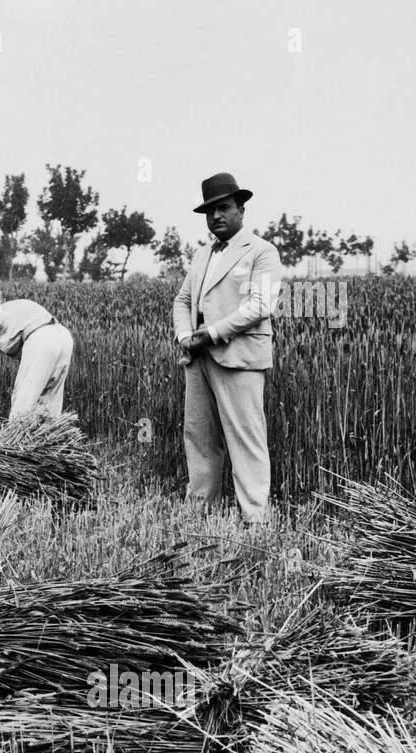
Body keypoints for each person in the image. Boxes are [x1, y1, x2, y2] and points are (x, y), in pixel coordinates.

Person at [173, 172, 282, 524]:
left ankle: (254, 517)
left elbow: (260, 306)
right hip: (198, 357)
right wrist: (185, 336)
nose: (216, 216)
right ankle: (200, 509)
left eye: (223, 208)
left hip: (239, 358)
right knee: (199, 436)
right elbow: (183, 299)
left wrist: (212, 333)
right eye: (210, 211)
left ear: (241, 209)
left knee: (246, 438)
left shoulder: (262, 251)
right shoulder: (202, 255)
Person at [0, 295, 75, 420]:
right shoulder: (6, 309)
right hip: (64, 336)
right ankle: (50, 436)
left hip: (40, 340)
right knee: (49, 405)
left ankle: (15, 438)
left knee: (22, 406)